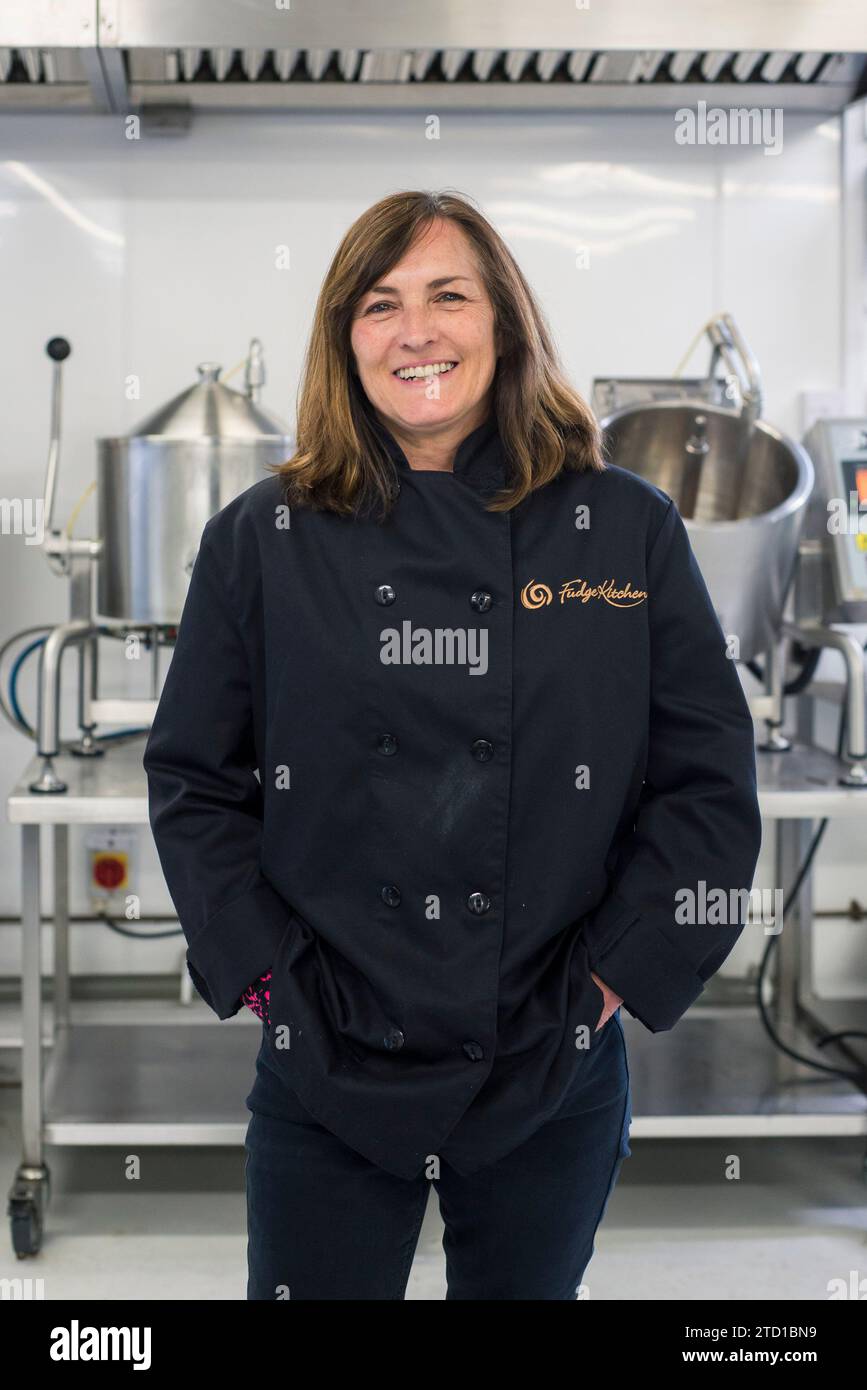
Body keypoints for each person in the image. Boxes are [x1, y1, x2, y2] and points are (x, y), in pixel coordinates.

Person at [143, 188, 763, 1300]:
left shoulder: (621, 527)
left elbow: (706, 784)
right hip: (327, 1053)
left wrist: (613, 980)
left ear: (505, 324)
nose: (415, 331)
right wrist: (267, 985)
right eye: (379, 305)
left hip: (551, 1048)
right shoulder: (261, 537)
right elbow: (194, 780)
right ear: (346, 341)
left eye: (448, 296)